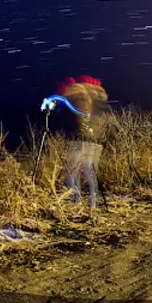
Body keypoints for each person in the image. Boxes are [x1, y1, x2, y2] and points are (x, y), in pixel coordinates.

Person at [56, 76, 108, 208]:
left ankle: (77, 200)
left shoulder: (74, 94)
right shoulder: (99, 97)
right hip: (96, 141)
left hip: (78, 139)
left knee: (72, 172)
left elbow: (63, 113)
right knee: (90, 172)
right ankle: (93, 203)